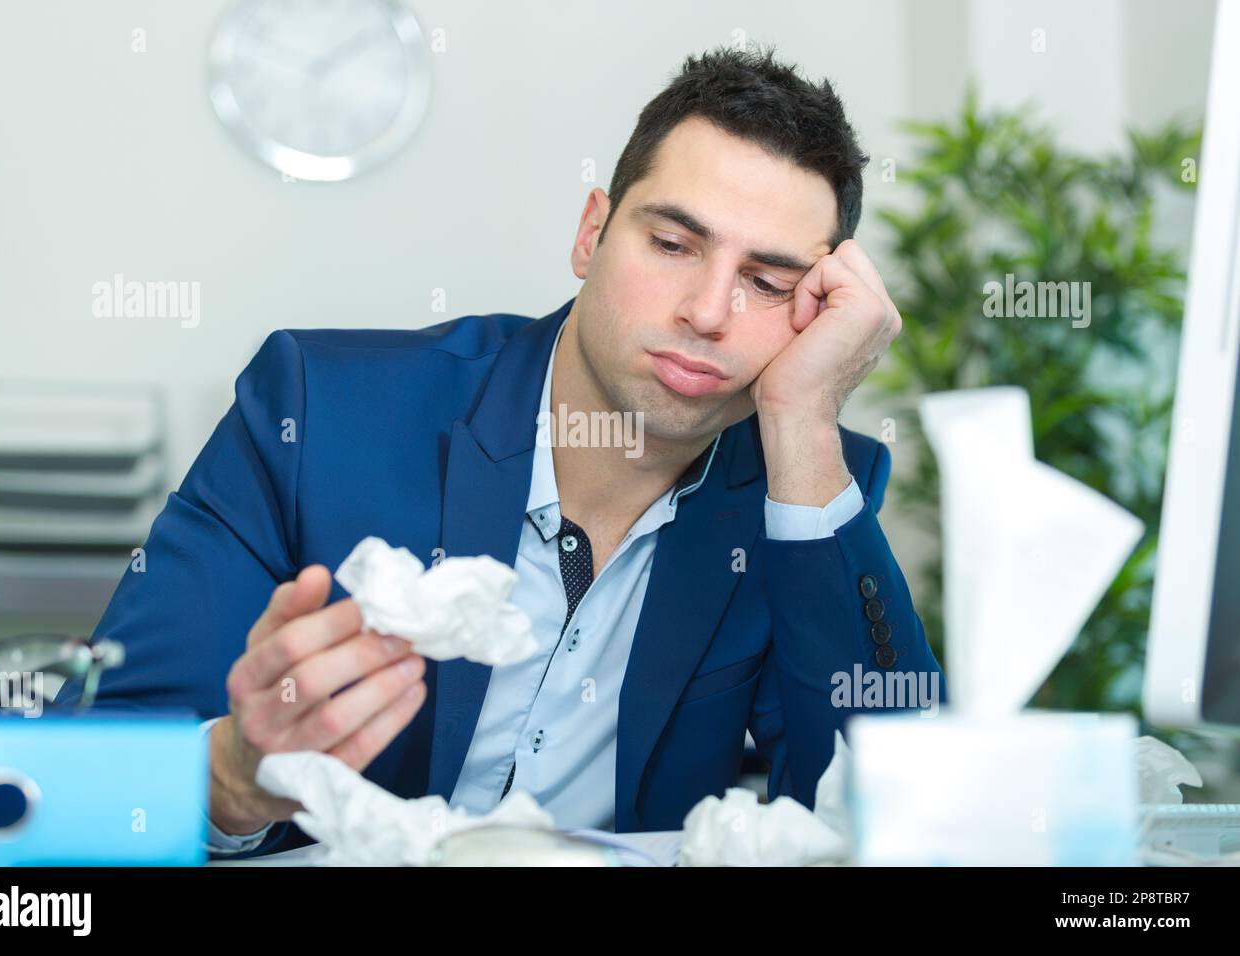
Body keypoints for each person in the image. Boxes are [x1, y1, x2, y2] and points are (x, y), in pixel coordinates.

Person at [55, 43, 945, 857]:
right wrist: (237, 777)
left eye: (767, 283)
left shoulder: (808, 485)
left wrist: (802, 425)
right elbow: (81, 783)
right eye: (672, 244)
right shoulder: (316, 412)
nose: (709, 312)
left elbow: (897, 819)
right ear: (591, 232)